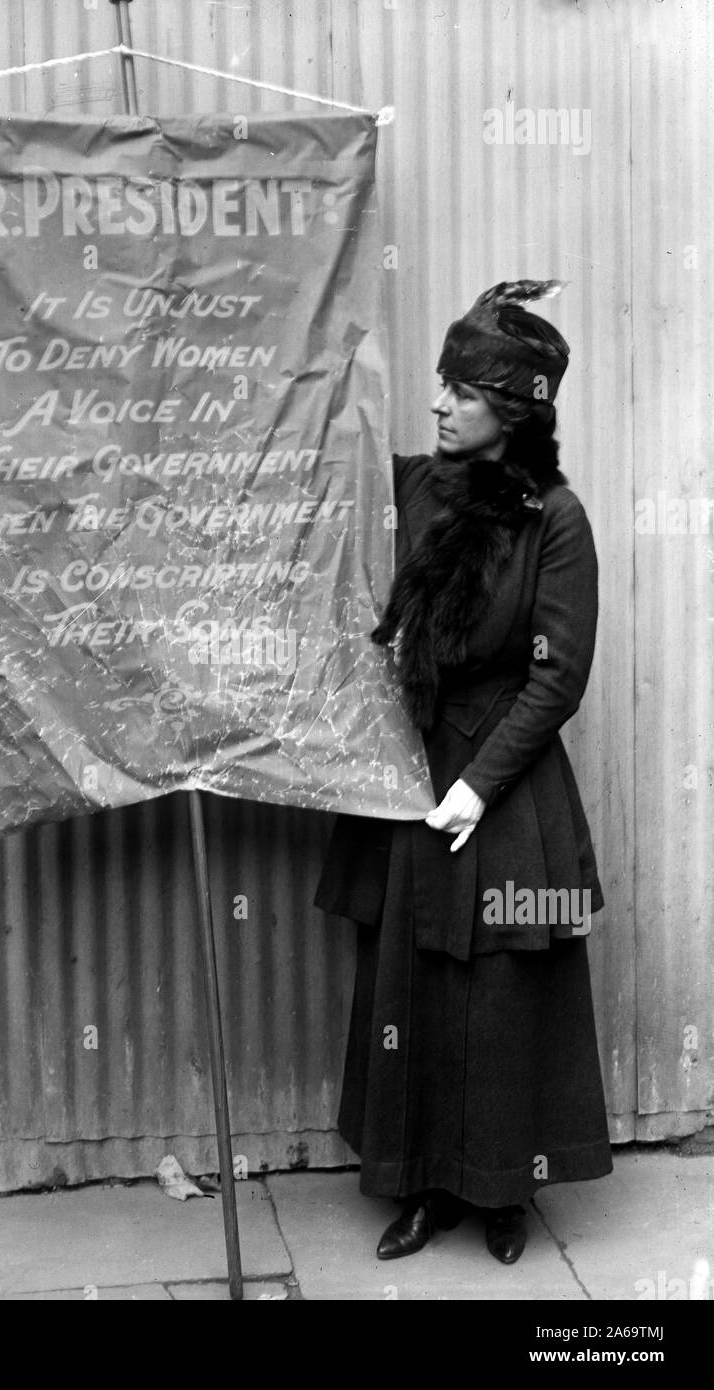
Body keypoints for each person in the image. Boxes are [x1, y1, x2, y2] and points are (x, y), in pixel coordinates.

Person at [313, 280, 612, 1265]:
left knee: (499, 995)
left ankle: (505, 1187)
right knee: (415, 992)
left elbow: (557, 675)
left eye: (461, 391)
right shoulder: (412, 484)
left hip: (503, 782)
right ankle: (424, 1186)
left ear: (511, 412)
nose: (437, 405)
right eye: (439, 386)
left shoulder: (554, 521)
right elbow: (314, 478)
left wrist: (477, 787)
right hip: (413, 768)